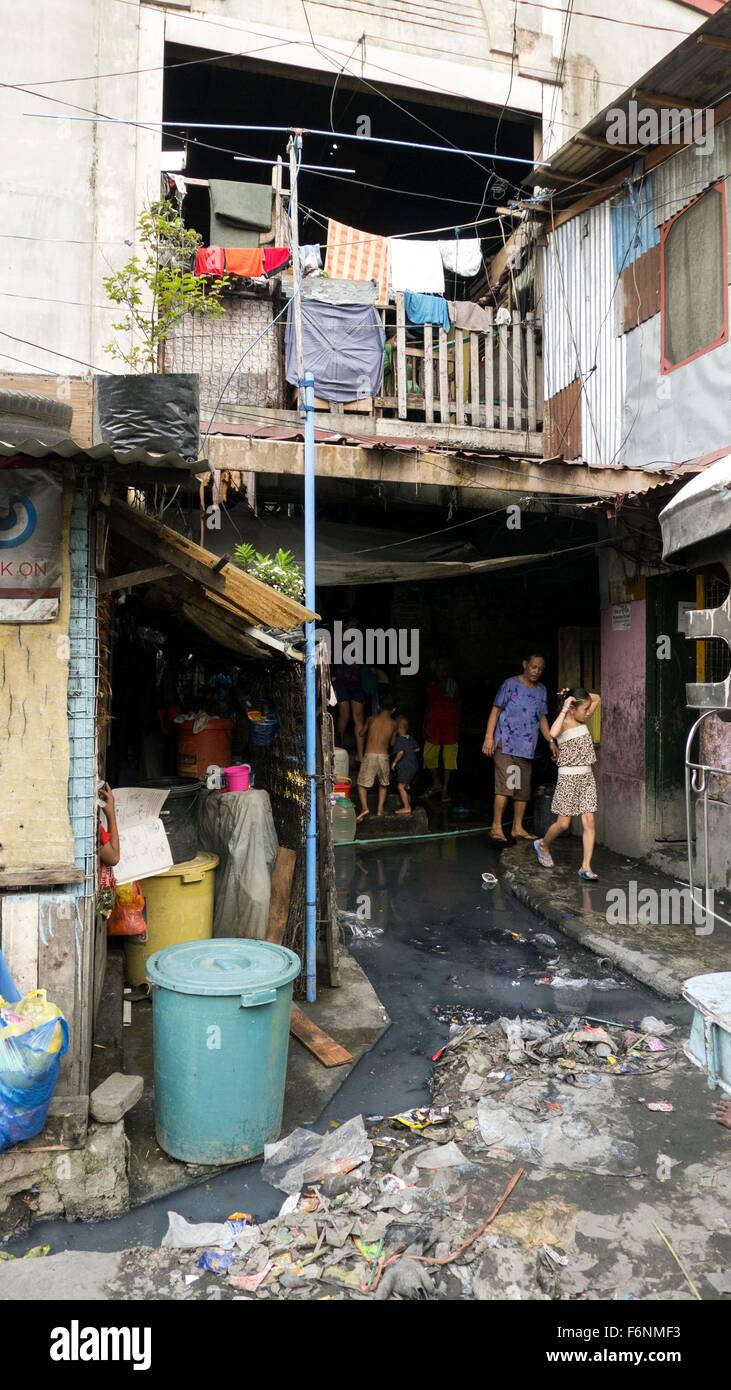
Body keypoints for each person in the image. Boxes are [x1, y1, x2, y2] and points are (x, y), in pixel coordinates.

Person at [483, 653, 556, 842]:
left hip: (526, 747)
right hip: (506, 743)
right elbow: (495, 711)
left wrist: (550, 741)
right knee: (505, 786)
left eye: (540, 669)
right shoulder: (510, 685)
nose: (536, 671)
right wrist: (489, 737)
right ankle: (496, 827)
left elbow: (542, 718)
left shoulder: (541, 690)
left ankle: (517, 828)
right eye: (533, 667)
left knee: (522, 789)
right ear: (525, 665)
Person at [533, 687, 601, 880]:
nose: (588, 712)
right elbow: (552, 733)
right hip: (568, 779)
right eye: (585, 709)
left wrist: (572, 693)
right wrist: (564, 707)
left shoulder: (583, 717)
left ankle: (585, 867)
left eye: (588, 709)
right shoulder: (564, 722)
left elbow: (596, 698)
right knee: (563, 824)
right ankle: (543, 845)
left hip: (586, 777)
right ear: (572, 709)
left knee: (589, 820)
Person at [422, 658, 461, 804]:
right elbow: (429, 705)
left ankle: (444, 789)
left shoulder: (453, 685)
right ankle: (436, 783)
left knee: (449, 761)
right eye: (439, 669)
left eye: (444, 669)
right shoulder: (431, 685)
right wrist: (425, 724)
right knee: (429, 757)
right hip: (433, 727)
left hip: (450, 728)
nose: (441, 672)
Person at [357, 692, 397, 822]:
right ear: (394, 709)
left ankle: (364, 808)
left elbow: (361, 733)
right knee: (383, 783)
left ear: (379, 706)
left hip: (370, 755)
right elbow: (392, 743)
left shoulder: (371, 719)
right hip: (384, 756)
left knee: (362, 784)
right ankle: (380, 809)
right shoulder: (394, 724)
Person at [332, 615, 366, 760]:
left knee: (358, 716)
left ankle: (360, 755)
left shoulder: (361, 641)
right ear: (345, 626)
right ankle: (335, 749)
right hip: (341, 681)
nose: (353, 628)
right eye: (351, 625)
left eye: (356, 626)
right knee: (344, 714)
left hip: (356, 682)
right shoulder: (337, 640)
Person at [391, 715, 420, 817]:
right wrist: (409, 751)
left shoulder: (399, 739)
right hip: (413, 766)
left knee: (400, 787)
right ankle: (408, 787)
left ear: (396, 728)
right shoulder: (410, 738)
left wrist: (394, 762)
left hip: (405, 766)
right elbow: (417, 749)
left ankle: (407, 807)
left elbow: (401, 752)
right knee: (405, 785)